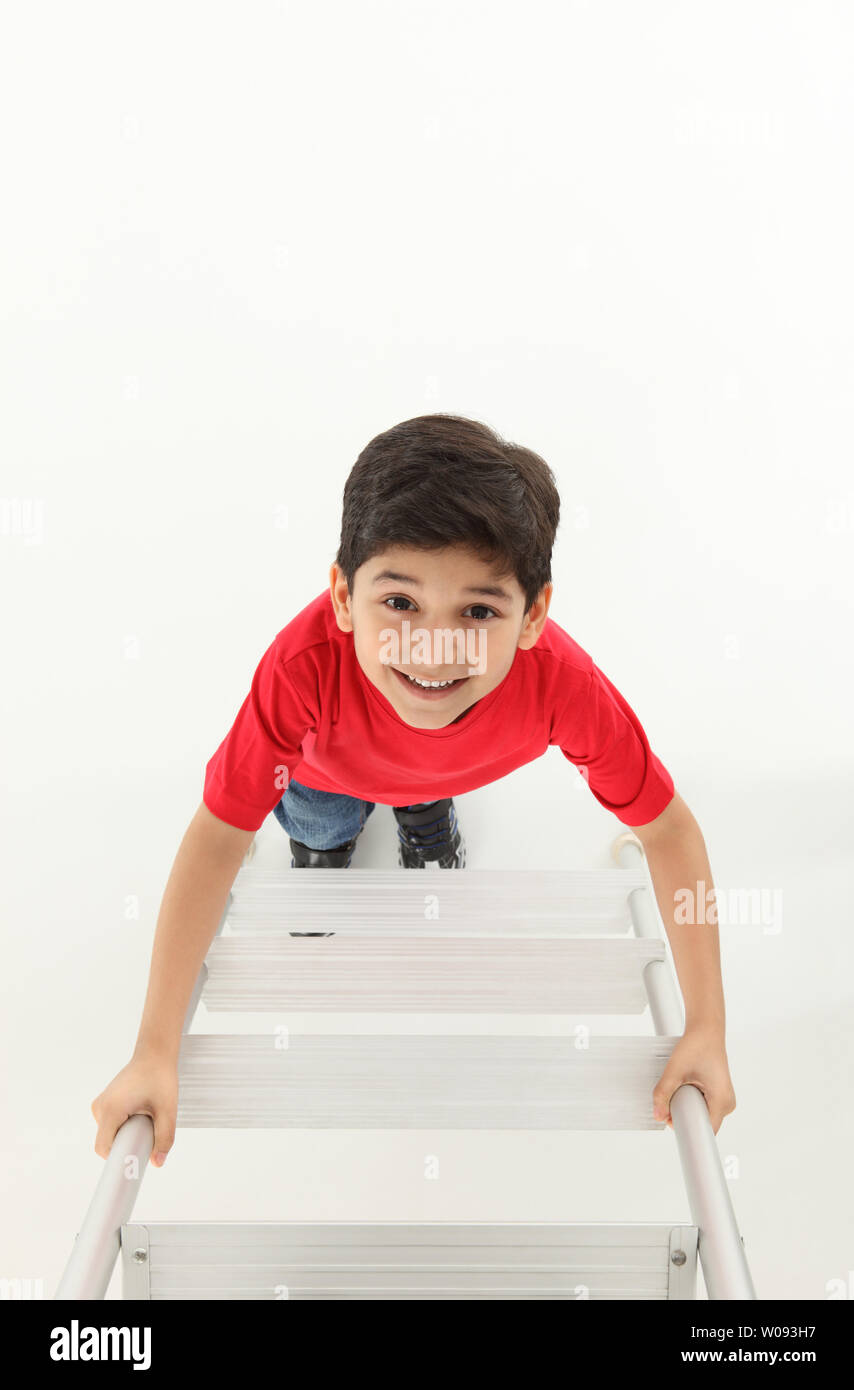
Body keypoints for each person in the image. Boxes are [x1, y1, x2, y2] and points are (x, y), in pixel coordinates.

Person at [91, 412, 735, 1170]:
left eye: (478, 612)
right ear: (341, 599)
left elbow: (670, 833)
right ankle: (327, 847)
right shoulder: (300, 669)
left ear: (533, 617)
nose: (433, 648)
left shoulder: (563, 685)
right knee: (322, 825)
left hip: (443, 775)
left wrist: (707, 1030)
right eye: (399, 603)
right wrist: (154, 1049)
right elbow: (218, 838)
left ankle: (422, 813)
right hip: (325, 776)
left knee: (424, 788)